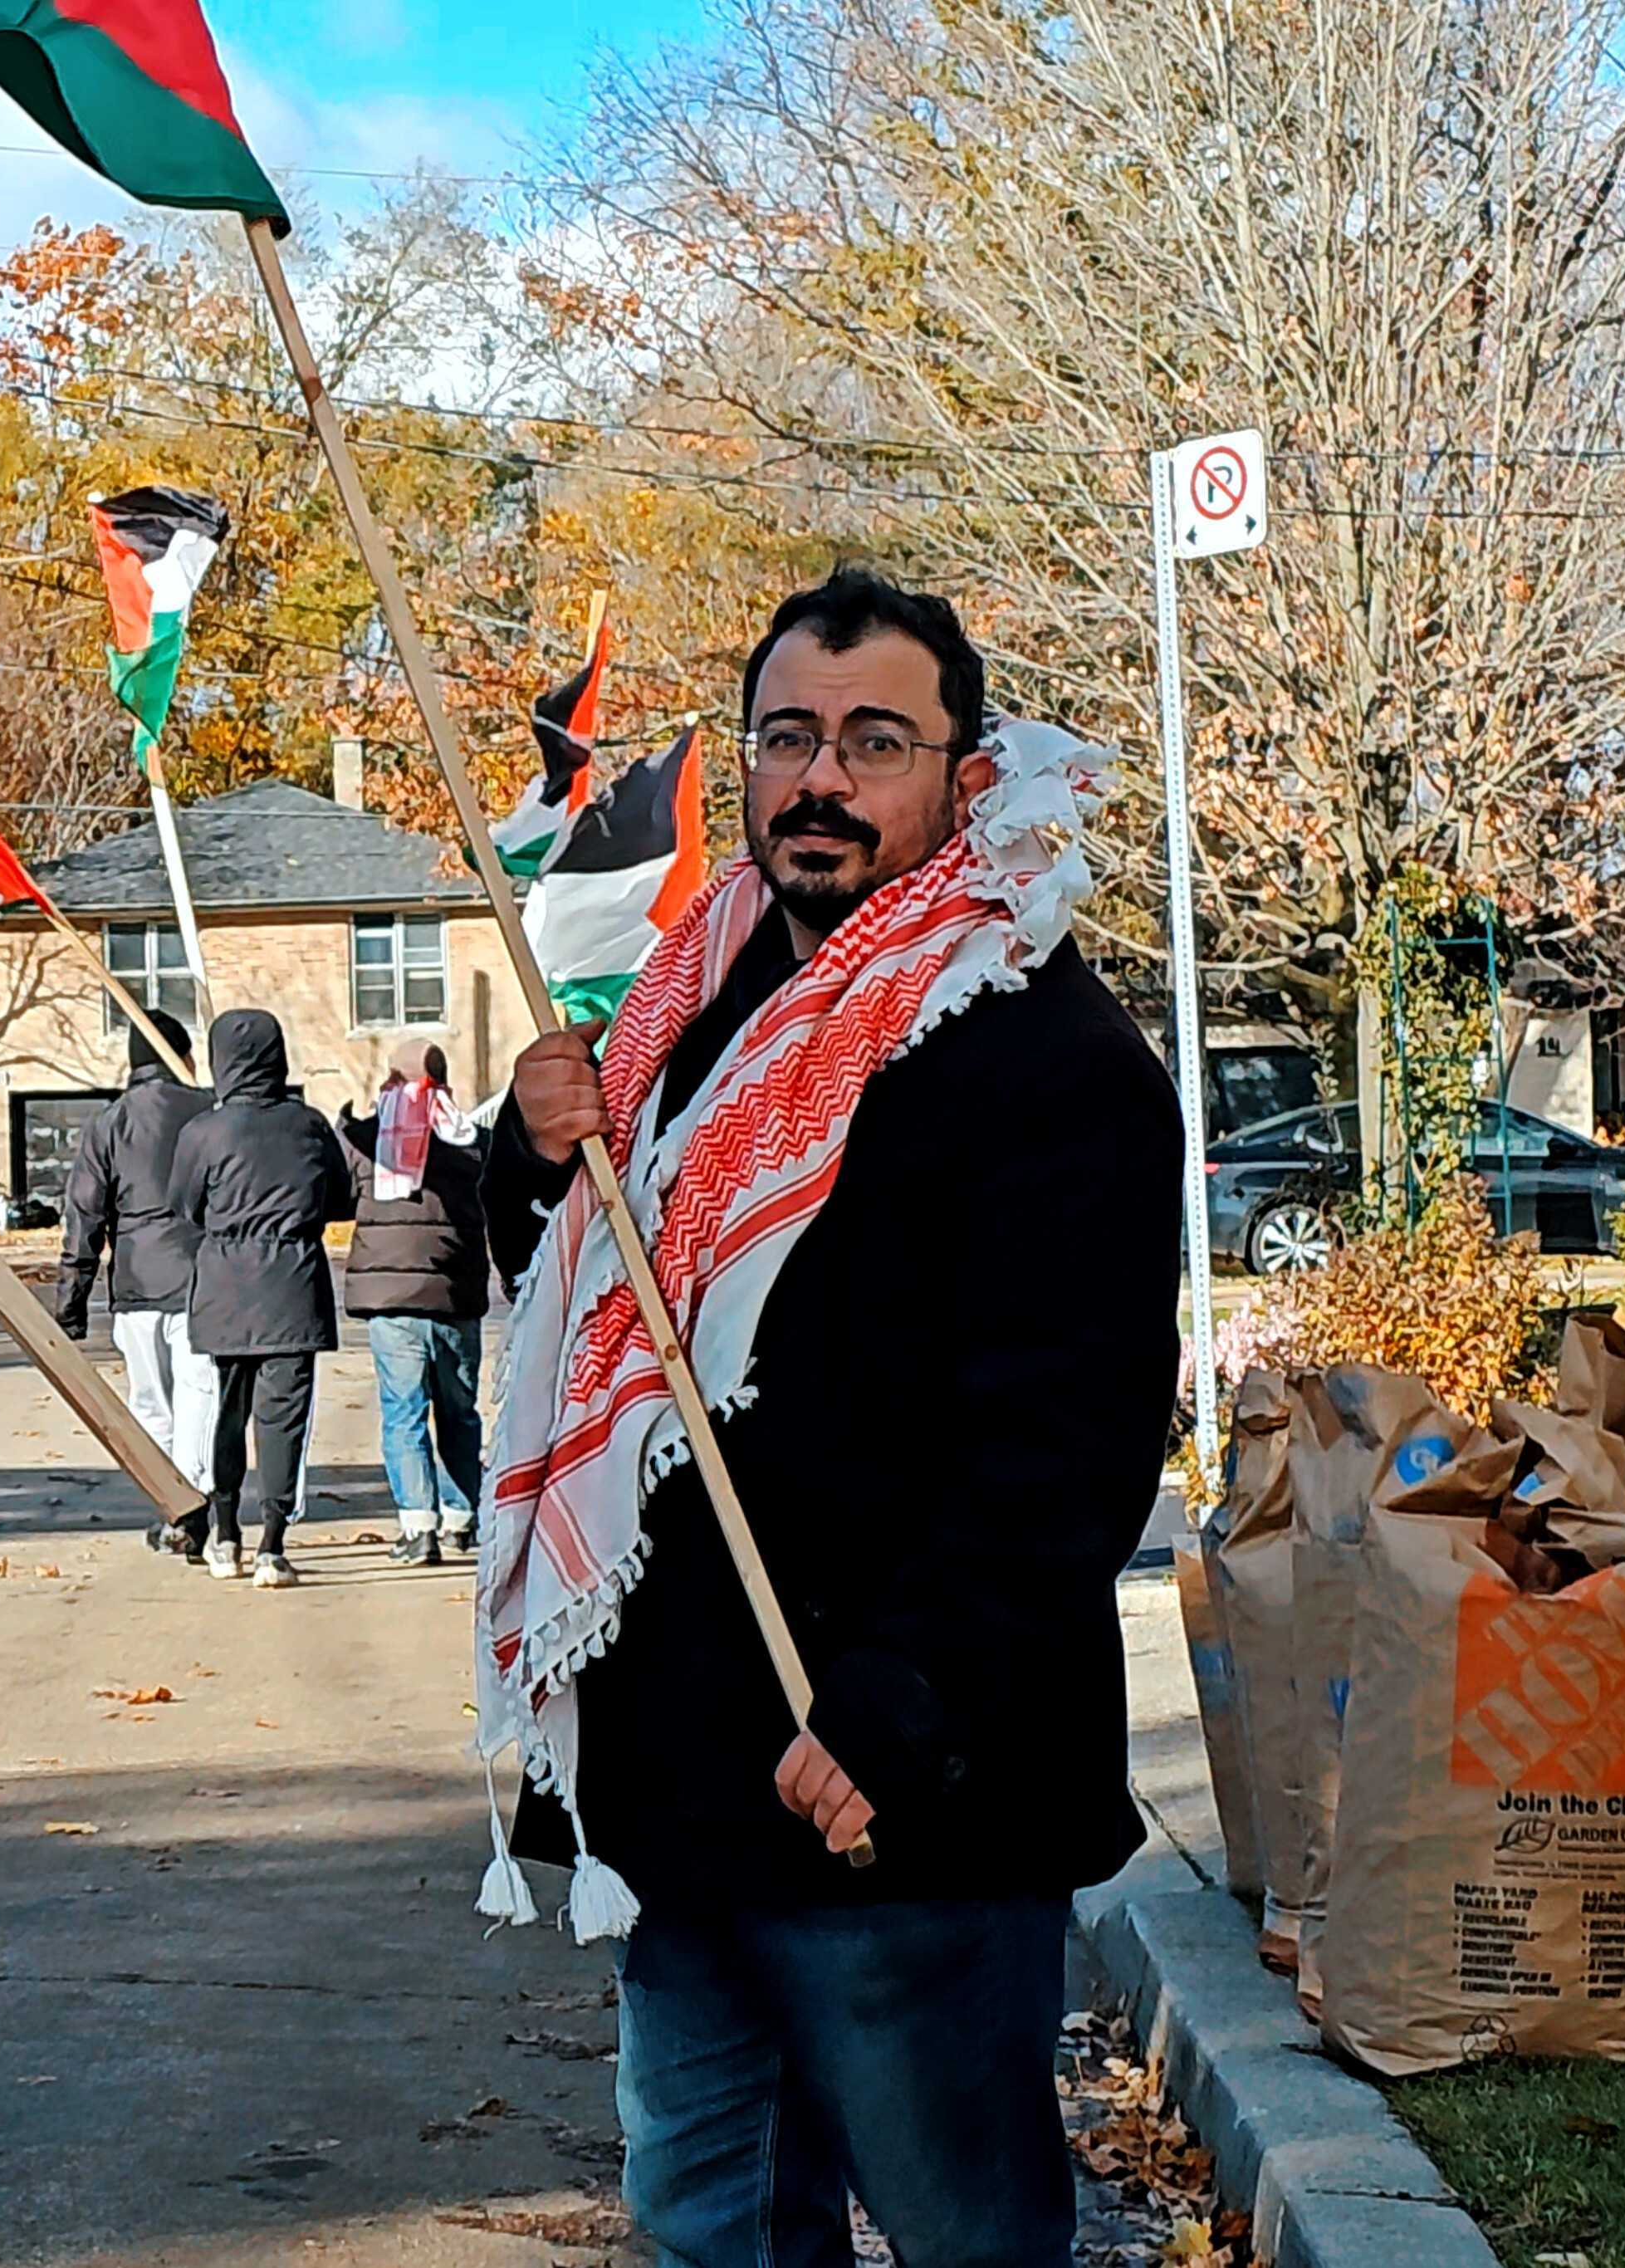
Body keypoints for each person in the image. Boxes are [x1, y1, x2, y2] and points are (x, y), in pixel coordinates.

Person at [475, 567, 1177, 2268]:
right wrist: (532, 1149)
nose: (820, 780)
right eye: (787, 736)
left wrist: (891, 1704)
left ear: (958, 770)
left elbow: (1066, 1451)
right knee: (708, 2225)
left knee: (962, 2236)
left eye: (875, 740)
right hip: (687, 1793)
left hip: (894, 1798)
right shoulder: (684, 1011)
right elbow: (603, 1309)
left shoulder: (1039, 1052)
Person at [167, 1007, 357, 1586]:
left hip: (225, 1281)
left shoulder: (203, 1131)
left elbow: (184, 1205)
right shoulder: (311, 1125)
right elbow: (343, 1197)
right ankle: (274, 1542)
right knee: (284, 1418)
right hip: (293, 1281)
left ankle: (226, 1533)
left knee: (227, 1408)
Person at [50, 1009, 219, 1534]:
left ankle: (172, 1504)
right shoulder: (211, 1114)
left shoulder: (111, 1124)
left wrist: (71, 1303)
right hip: (203, 1282)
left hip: (138, 1286)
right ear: (182, 1055)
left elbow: (85, 1216)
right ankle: (198, 1498)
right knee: (199, 1394)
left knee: (153, 1403)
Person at [337, 1046, 490, 1567]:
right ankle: (462, 1517)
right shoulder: (472, 1145)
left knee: (404, 1414)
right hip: (454, 1300)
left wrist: (351, 1124)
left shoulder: (368, 1145)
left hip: (392, 1303)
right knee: (459, 1413)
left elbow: (338, 1193)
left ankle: (417, 1527)